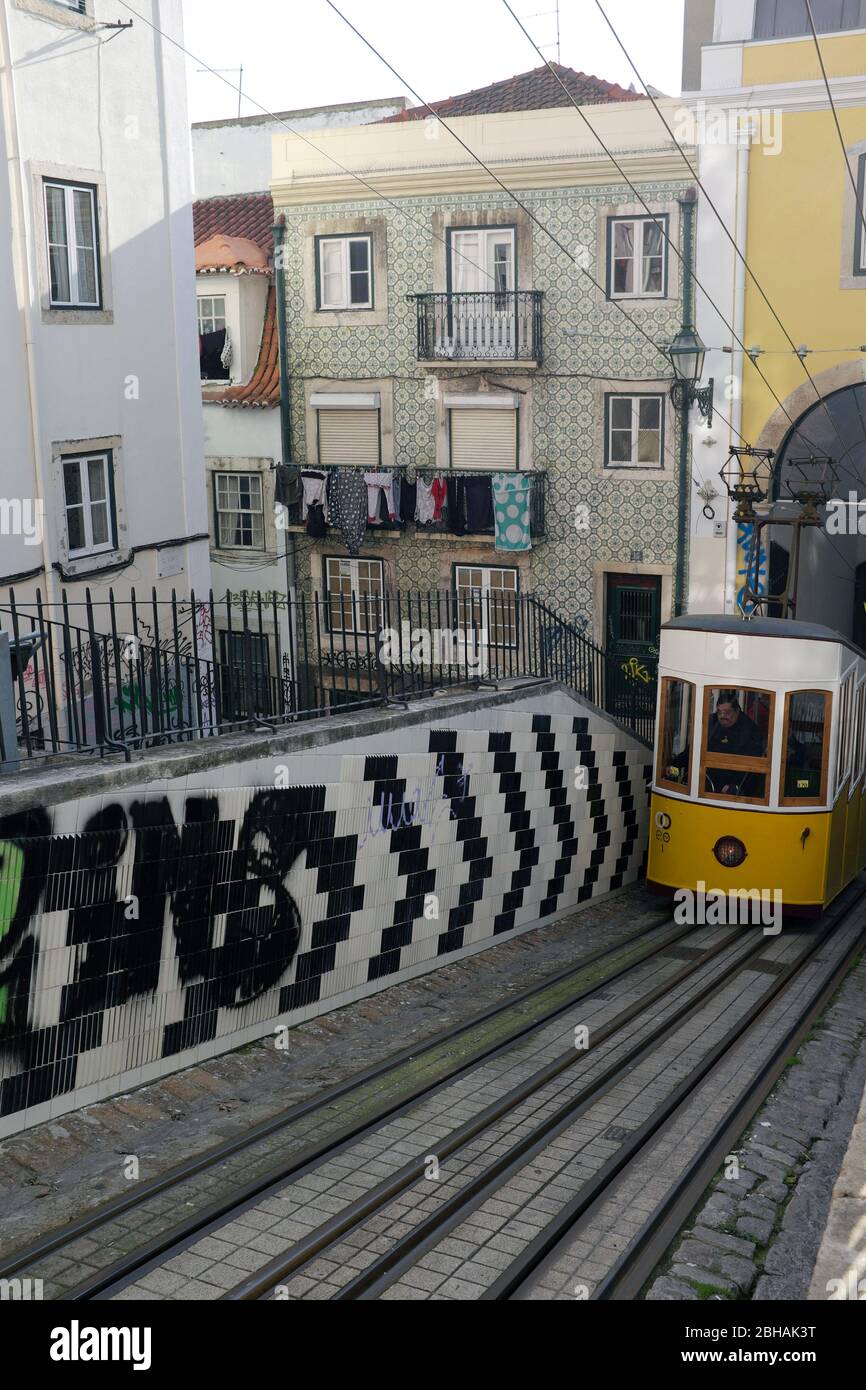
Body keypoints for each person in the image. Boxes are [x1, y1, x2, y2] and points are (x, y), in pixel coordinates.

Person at [705, 691, 766, 795]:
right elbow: (694, 748)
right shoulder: (711, 722)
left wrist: (735, 785)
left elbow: (752, 767)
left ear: (737, 711)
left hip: (737, 789)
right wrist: (675, 764)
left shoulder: (750, 731)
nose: (722, 716)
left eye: (727, 712)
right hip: (707, 782)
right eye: (719, 712)